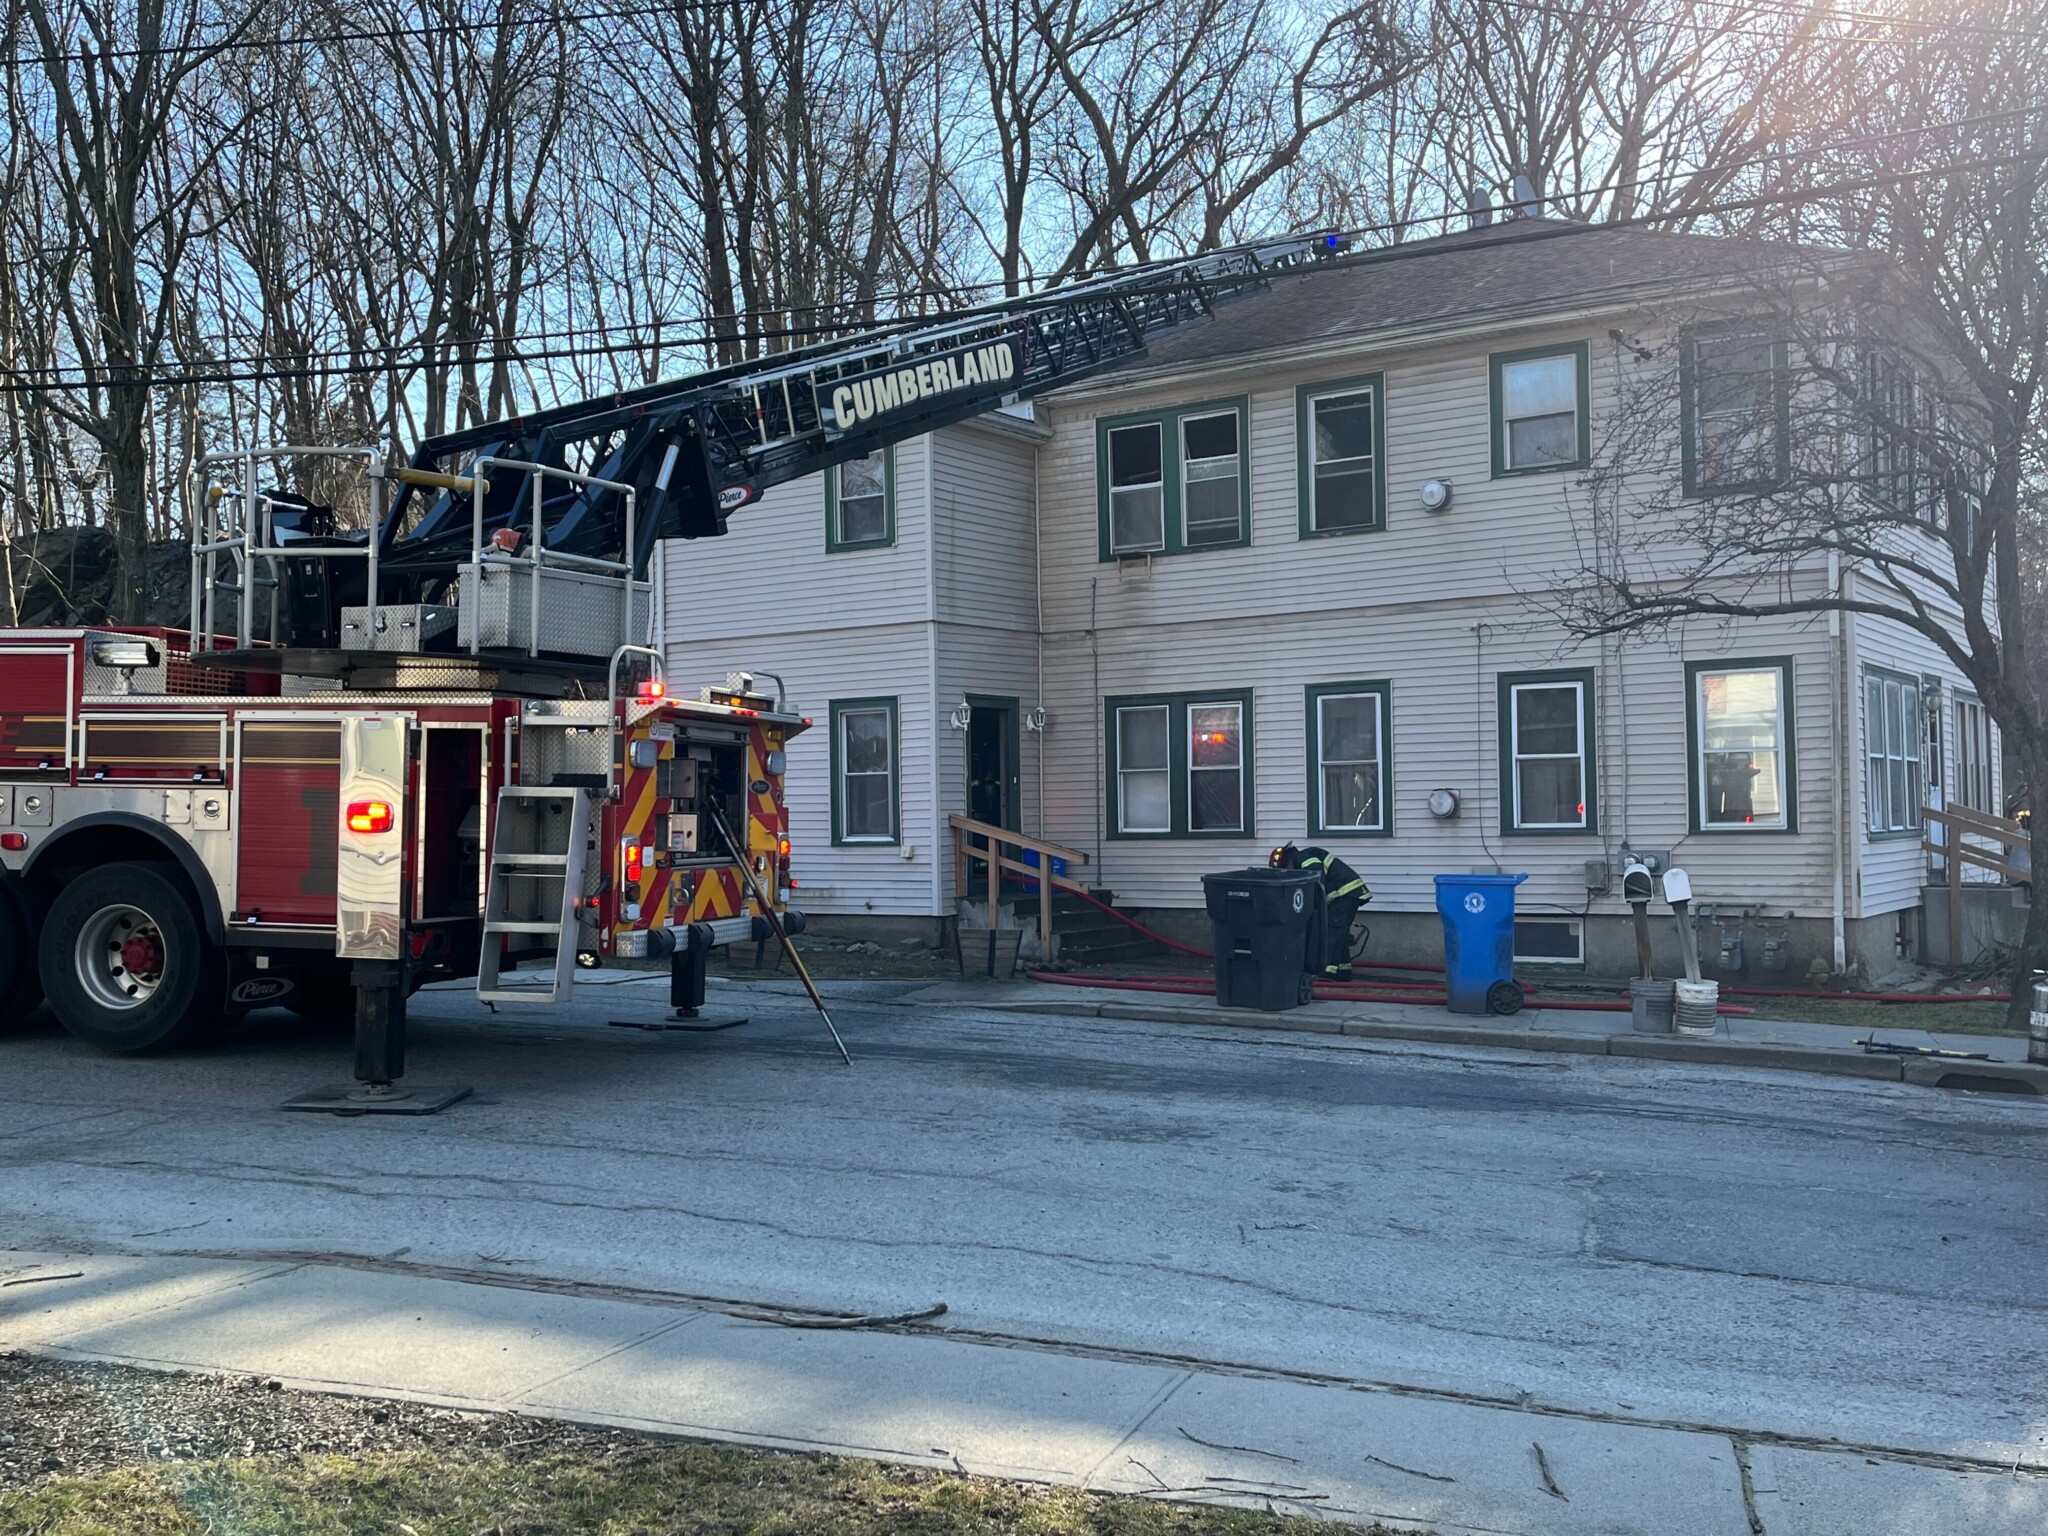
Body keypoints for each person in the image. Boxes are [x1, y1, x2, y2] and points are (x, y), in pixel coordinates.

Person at [1271, 842, 1371, 979]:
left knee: (1332, 932)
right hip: (1345, 896)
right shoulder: (1304, 858)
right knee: (1339, 933)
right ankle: (1343, 970)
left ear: (1288, 859)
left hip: (1345, 894)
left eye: (1285, 868)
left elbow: (1316, 880)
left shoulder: (1304, 858)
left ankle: (1328, 971)